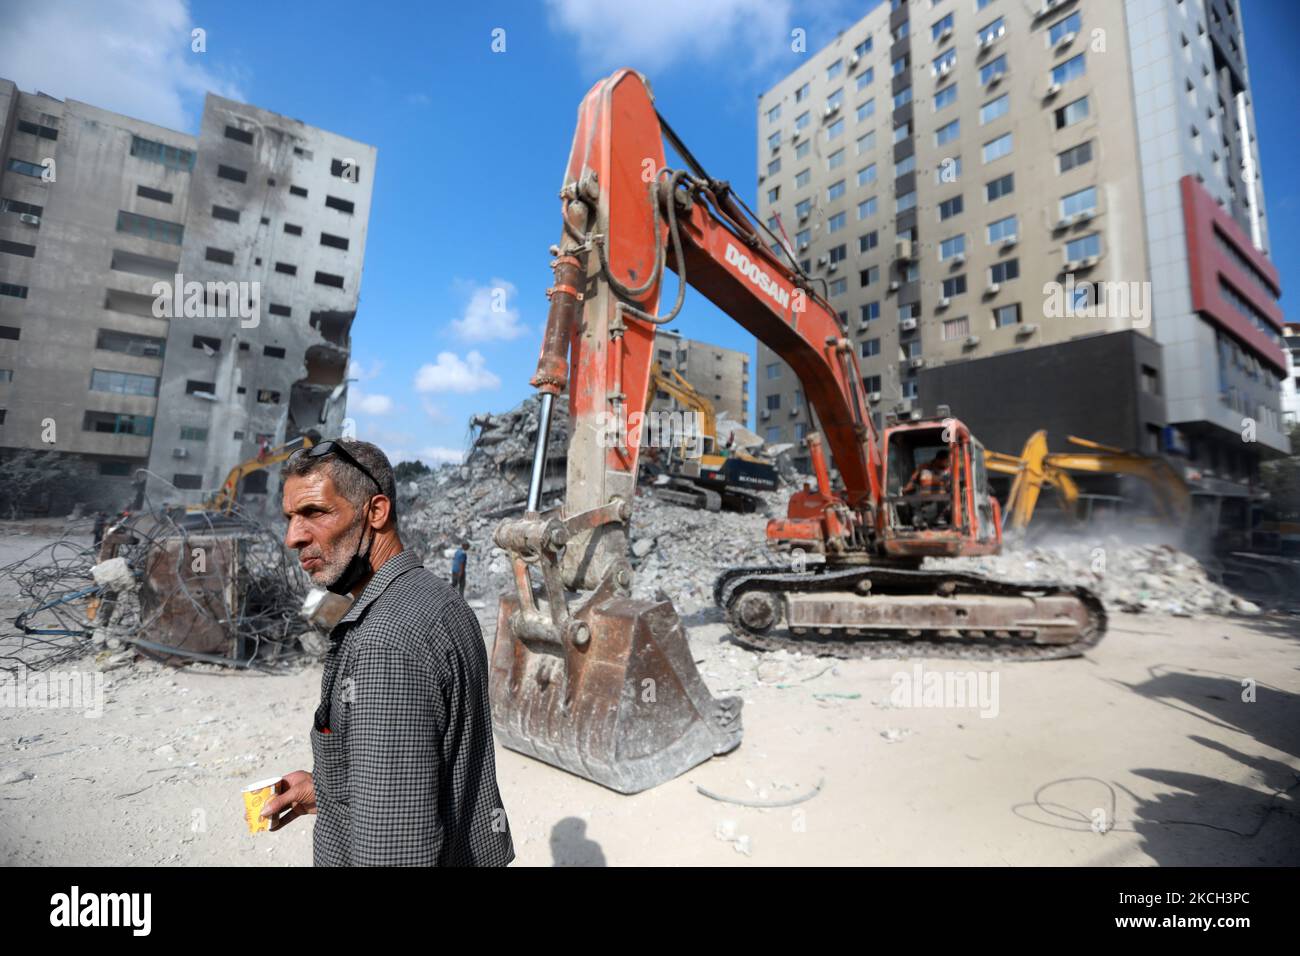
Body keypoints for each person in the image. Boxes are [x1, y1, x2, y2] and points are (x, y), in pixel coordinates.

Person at [266, 438, 513, 866]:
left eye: (314, 513)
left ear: (375, 512)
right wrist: (327, 790)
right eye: (289, 517)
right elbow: (420, 781)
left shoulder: (385, 643)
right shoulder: (437, 598)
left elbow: (395, 850)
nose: (293, 536)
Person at [902, 448, 952, 528]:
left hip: (942, 502)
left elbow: (951, 487)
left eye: (949, 462)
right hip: (924, 499)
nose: (949, 464)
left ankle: (939, 518)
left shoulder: (950, 471)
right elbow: (915, 481)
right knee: (913, 499)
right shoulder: (924, 467)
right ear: (938, 460)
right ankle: (919, 520)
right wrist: (906, 490)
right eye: (947, 461)